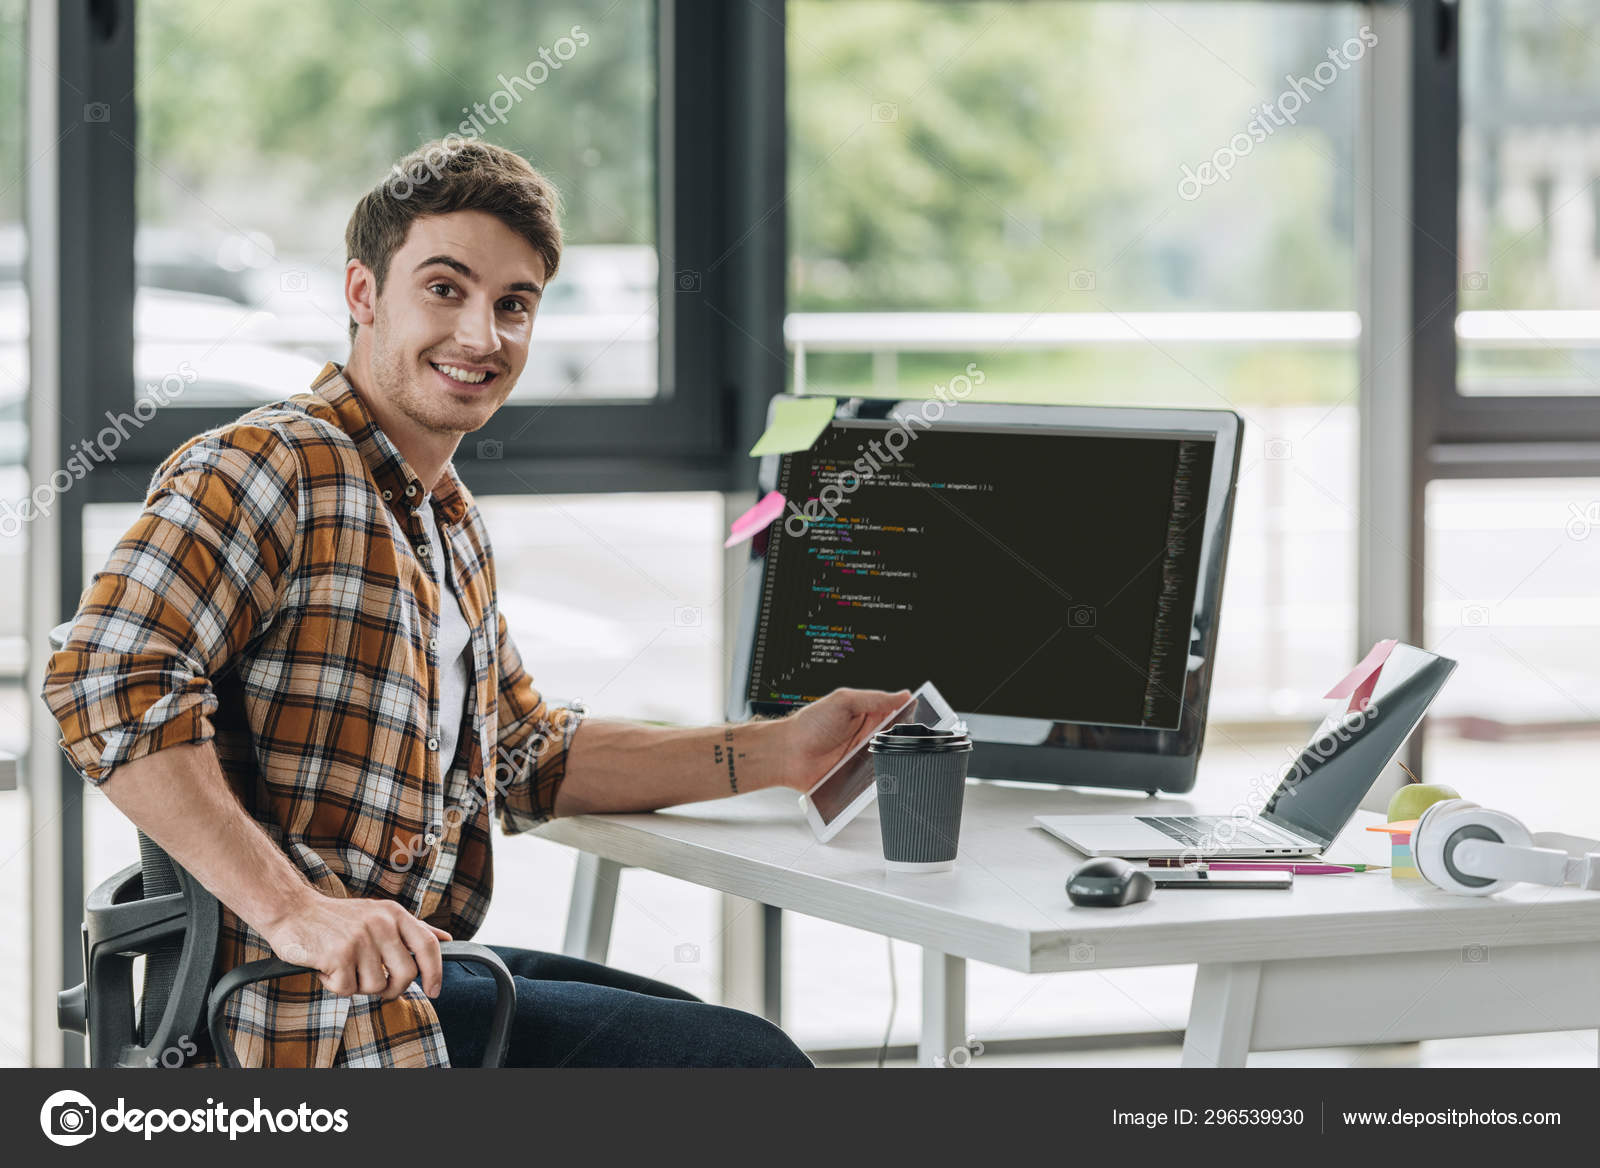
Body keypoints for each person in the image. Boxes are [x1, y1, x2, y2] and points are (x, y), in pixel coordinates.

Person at [42, 139, 908, 1068]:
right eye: (445, 289)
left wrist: (781, 749)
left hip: (415, 969)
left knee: (726, 1038)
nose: (481, 338)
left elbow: (529, 756)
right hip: (304, 1015)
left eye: (513, 305)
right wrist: (298, 912)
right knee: (746, 1070)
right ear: (363, 294)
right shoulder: (274, 465)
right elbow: (107, 682)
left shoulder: (442, 519)